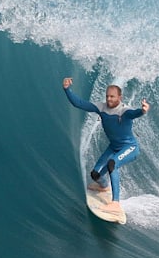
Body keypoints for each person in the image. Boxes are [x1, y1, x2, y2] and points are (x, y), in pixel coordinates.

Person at [63, 77, 150, 216]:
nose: (109, 99)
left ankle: (115, 203)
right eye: (107, 96)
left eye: (112, 96)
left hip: (129, 147)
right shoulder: (101, 108)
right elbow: (78, 103)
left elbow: (135, 113)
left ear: (120, 97)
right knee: (95, 174)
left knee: (112, 164)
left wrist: (143, 111)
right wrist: (67, 89)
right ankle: (103, 186)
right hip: (113, 147)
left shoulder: (124, 111)